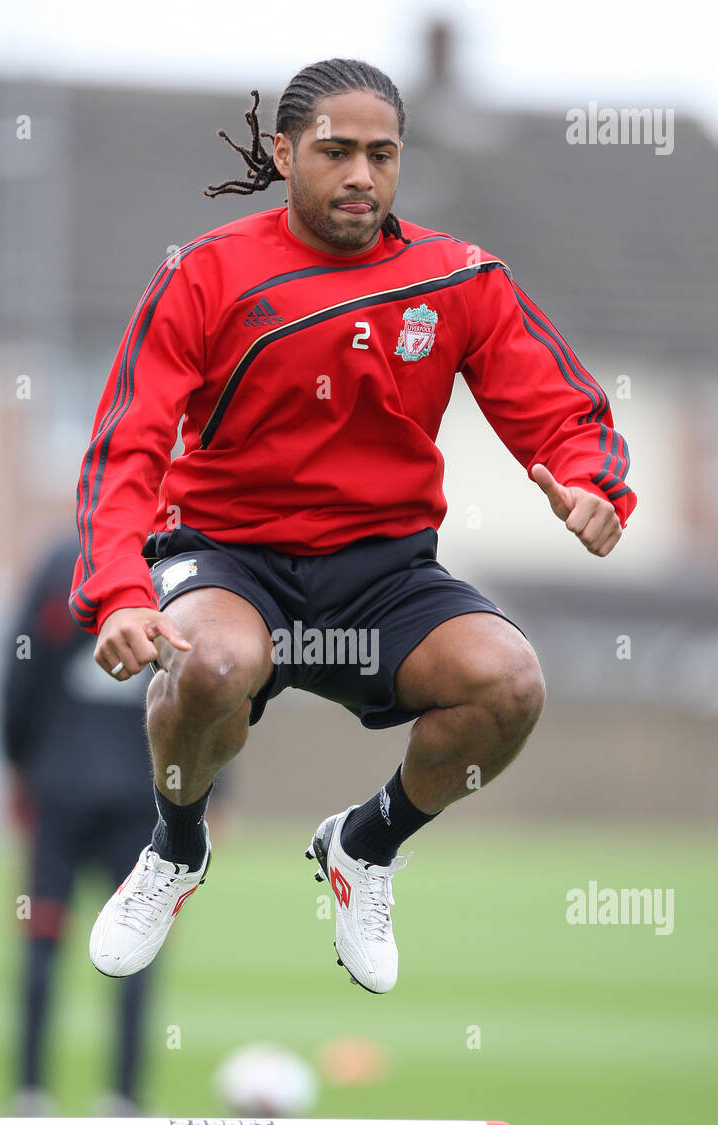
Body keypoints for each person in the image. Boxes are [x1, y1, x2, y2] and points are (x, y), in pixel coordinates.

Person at [69, 58, 636, 995]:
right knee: (208, 664)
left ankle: (366, 847)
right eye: (336, 152)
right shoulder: (206, 272)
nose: (362, 175)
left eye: (382, 154)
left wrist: (591, 485)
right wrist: (121, 593)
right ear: (284, 153)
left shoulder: (458, 277)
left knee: (510, 685)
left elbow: (563, 408)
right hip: (229, 558)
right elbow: (124, 443)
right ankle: (175, 847)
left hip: (383, 575)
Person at [2, 535, 156, 1112]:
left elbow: (19, 670)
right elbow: (208, 678)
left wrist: (20, 763)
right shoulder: (167, 560)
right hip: (145, 786)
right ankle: (124, 1097)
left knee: (43, 938)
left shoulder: (56, 564)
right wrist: (209, 786)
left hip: (61, 786)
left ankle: (30, 1092)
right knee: (136, 944)